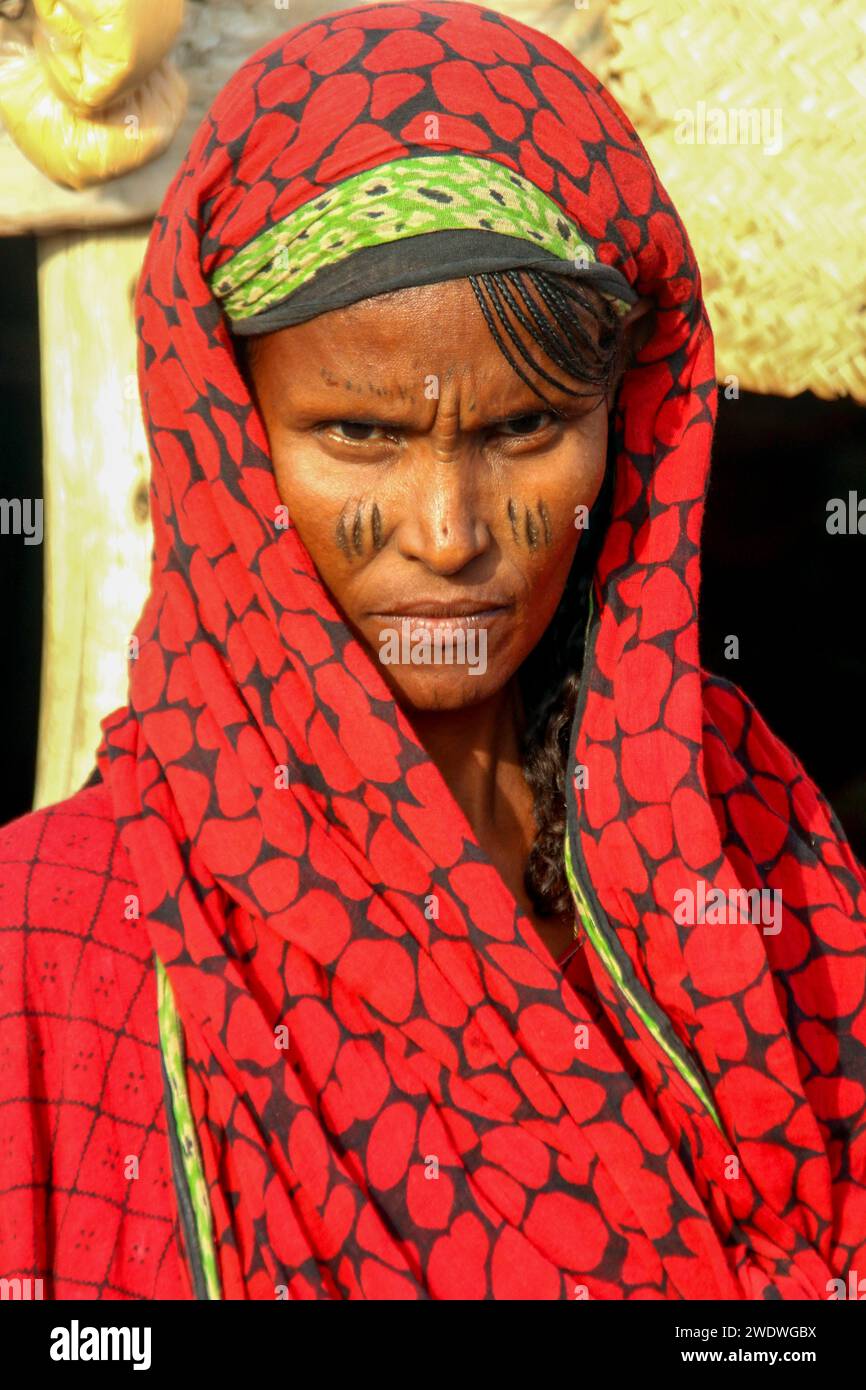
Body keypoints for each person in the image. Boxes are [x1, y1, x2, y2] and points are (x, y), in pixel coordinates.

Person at [2, 1, 865, 1302]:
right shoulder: (54, 942)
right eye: (358, 433)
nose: (452, 531)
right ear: (231, 432)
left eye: (523, 428)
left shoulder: (755, 850)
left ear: (623, 426)